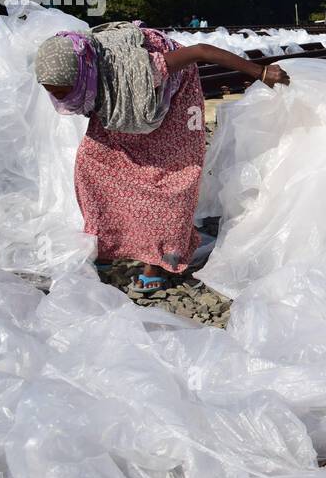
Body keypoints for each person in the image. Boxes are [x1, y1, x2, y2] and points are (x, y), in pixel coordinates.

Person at [35, 22, 289, 293]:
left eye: (63, 91)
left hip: (171, 95)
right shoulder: (86, 69)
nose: (59, 98)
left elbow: (200, 50)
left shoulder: (146, 67)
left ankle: (156, 261)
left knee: (170, 179)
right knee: (93, 165)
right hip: (120, 101)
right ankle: (108, 247)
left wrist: (261, 72)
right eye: (53, 92)